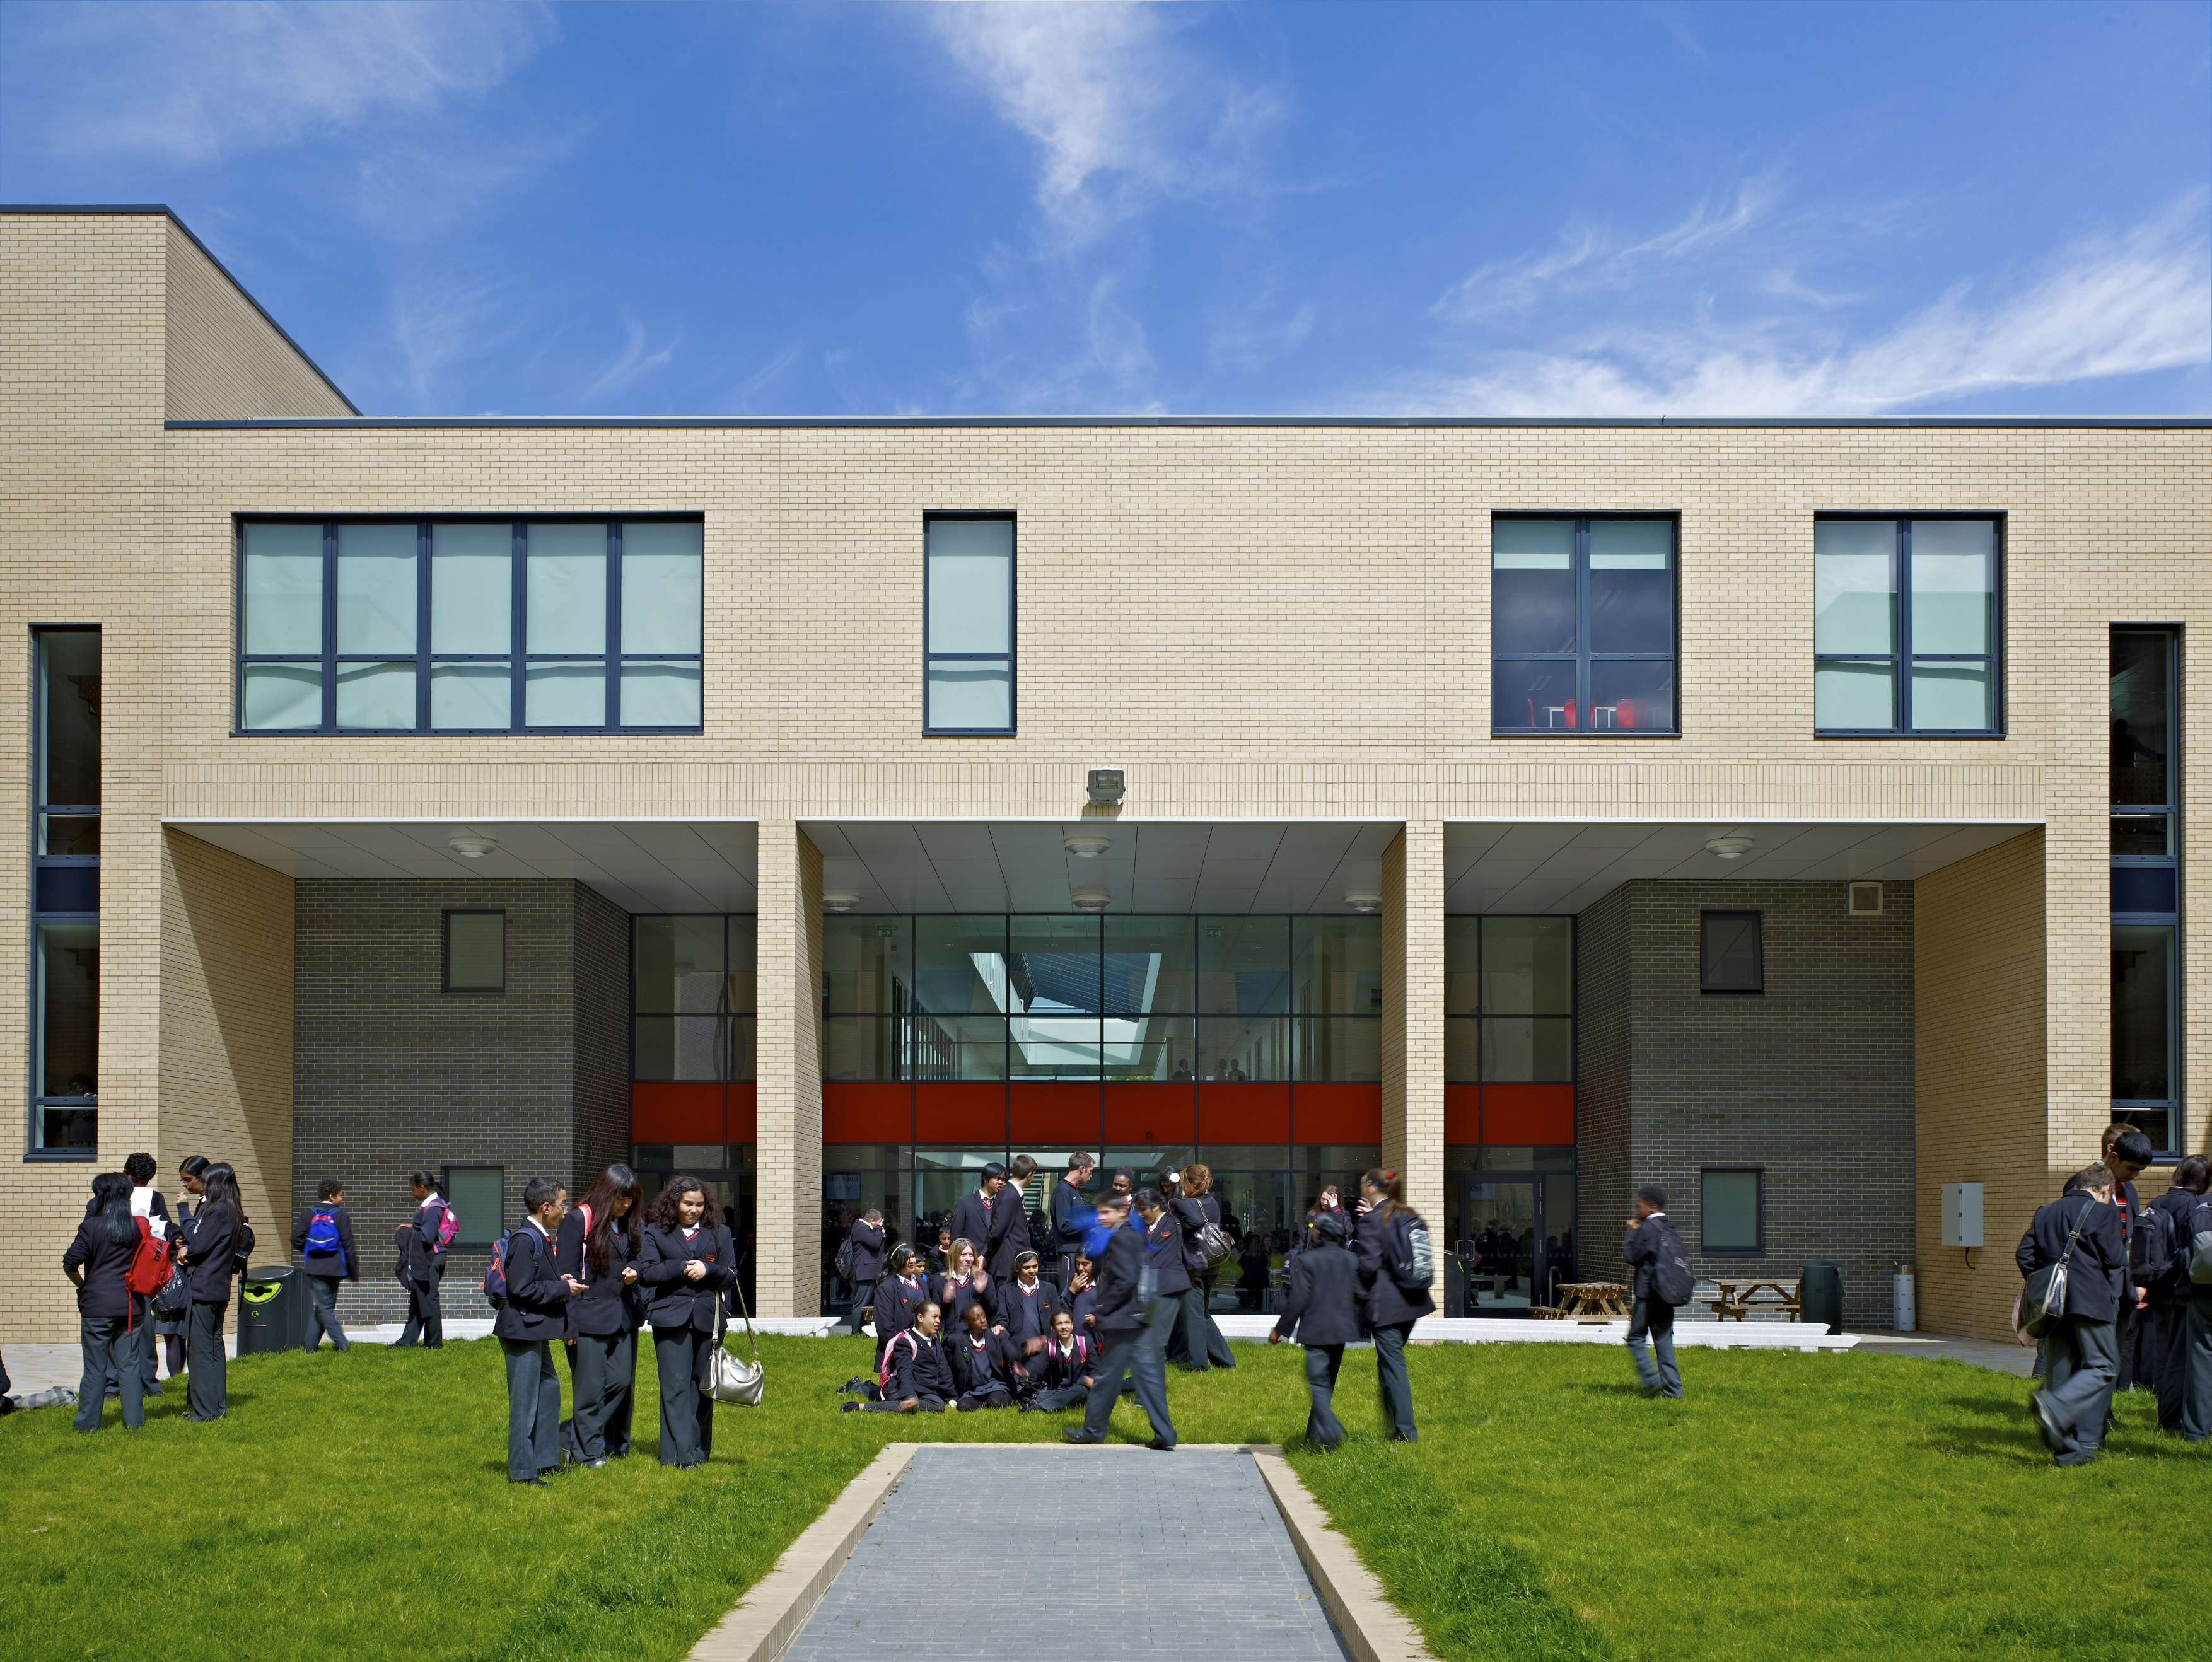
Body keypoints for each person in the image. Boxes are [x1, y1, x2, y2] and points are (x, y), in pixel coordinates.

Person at [2018, 1162, 2128, 1466]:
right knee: (2103, 1366)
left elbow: (2024, 1254)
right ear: (2106, 1189)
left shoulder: (2045, 1212)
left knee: (2060, 1372)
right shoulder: (2104, 1212)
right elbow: (2117, 1258)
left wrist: (2047, 1282)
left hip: (2053, 1305)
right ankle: (2056, 1408)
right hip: (2092, 1302)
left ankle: (2068, 1453)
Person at [1065, 1189, 1176, 1451]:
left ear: (1121, 1212)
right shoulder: (1133, 1235)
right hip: (1138, 1319)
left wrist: (1103, 1310)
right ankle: (1165, 1435)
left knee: (1106, 1380)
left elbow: (1126, 1280)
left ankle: (1093, 1431)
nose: (1101, 1217)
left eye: (1106, 1212)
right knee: (1148, 1380)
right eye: (1099, 1212)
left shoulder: (1120, 1238)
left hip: (1123, 1320)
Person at [638, 1175, 736, 1469]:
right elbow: (647, 1273)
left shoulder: (720, 1233)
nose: (694, 1210)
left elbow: (731, 1275)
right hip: (670, 1317)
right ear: (675, 1203)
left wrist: (708, 1269)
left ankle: (698, 1450)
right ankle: (679, 1455)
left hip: (708, 1318)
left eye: (700, 1205)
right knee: (676, 1386)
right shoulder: (655, 1232)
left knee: (703, 1386)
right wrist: (682, 1268)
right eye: (687, 1204)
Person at [557, 1163, 646, 1467]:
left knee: (621, 1382)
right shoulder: (578, 1219)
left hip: (624, 1315)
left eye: (630, 1199)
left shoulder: (631, 1222)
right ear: (606, 1193)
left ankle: (566, 1435)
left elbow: (640, 1257)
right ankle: (589, 1453)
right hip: (587, 1317)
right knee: (590, 1390)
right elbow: (565, 1276)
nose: (626, 1204)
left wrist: (638, 1271)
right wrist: (569, 1325)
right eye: (621, 1198)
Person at [495, 1177, 581, 1486]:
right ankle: (522, 1471)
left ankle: (544, 1461)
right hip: (521, 1331)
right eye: (562, 1205)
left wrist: (561, 1281)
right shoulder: (526, 1239)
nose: (565, 1211)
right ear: (546, 1208)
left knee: (548, 1391)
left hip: (534, 1329)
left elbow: (534, 1280)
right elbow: (520, 1289)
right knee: (525, 1402)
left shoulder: (539, 1236)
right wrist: (562, 1288)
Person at [1267, 1208, 1361, 1450]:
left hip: (1316, 1331)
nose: (1313, 1233)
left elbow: (1297, 1299)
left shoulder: (1308, 1260)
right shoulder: (1350, 1259)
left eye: (1315, 1229)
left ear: (1321, 1233)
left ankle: (1332, 1432)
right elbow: (1360, 1294)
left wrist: (1280, 1330)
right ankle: (1314, 1438)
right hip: (1341, 1332)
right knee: (1326, 1386)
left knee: (1318, 1386)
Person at [1353, 1168, 1433, 1439]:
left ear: (1372, 1188)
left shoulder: (1374, 1220)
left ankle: (1406, 1433)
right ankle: (1396, 1427)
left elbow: (1369, 1265)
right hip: (1413, 1304)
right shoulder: (1407, 1213)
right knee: (1388, 1363)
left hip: (1387, 1308)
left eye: (1364, 1186)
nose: (1362, 1190)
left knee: (1393, 1365)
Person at [64, 1173, 144, 1433]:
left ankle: (87, 1426)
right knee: (130, 1367)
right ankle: (135, 1424)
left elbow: (70, 1264)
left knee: (95, 1369)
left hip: (97, 1306)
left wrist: (83, 1286)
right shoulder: (137, 1227)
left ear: (102, 1195)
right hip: (132, 1305)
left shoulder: (92, 1226)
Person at [175, 1161, 245, 1421]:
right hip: (218, 1287)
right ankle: (216, 1407)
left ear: (215, 1183)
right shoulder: (233, 1209)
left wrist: (186, 1251)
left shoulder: (218, 1210)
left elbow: (198, 1243)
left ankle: (204, 1411)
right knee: (214, 1347)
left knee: (201, 1350)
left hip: (204, 1288)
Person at [2146, 1155, 2209, 1436]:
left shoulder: (2155, 1203)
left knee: (2164, 1357)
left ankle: (2166, 1416)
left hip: (2157, 1288)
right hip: (2186, 1290)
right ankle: (2176, 1421)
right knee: (2184, 1359)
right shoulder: (2198, 1207)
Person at [1167, 1162, 1235, 1371]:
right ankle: (1225, 1360)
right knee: (1201, 1313)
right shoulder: (1211, 1202)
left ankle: (1198, 1365)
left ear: (1193, 1183)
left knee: (1194, 1316)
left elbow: (1186, 1226)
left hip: (1194, 1268)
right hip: (1210, 1265)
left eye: (1185, 1182)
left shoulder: (1192, 1204)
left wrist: (1175, 1203)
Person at [1621, 1185, 1683, 1400]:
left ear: (1652, 1206)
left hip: (1648, 1294)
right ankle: (1674, 1392)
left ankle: (1651, 1381)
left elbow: (1631, 1256)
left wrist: (1633, 1231)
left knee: (1636, 1338)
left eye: (1640, 1206)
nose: (1637, 1210)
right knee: (1664, 1341)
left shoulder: (1647, 1228)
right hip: (1668, 1294)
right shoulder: (1670, 1228)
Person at [846, 1299, 955, 1414]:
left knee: (938, 1404)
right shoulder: (905, 1342)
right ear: (920, 1318)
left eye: (939, 1317)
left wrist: (952, 1397)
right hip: (900, 1387)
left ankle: (858, 1386)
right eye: (934, 1317)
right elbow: (905, 1371)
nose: (938, 1321)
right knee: (912, 1405)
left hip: (922, 1390)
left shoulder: (935, 1338)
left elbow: (943, 1369)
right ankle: (859, 1407)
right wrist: (909, 1396)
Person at [158, 1156, 209, 1383]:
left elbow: (196, 1234)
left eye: (187, 1180)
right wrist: (183, 1244)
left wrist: (182, 1209)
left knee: (191, 1338)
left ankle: (187, 1381)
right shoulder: (204, 1202)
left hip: (199, 1284)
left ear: (203, 1177)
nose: (185, 1186)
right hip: (190, 1282)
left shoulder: (210, 1205)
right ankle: (182, 1381)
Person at [291, 1178, 358, 1352]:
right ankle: (342, 1344)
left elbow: (296, 1238)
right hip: (335, 1269)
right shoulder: (341, 1216)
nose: (341, 1199)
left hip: (314, 1268)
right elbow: (349, 1247)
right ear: (332, 1196)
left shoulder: (308, 1214)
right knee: (326, 1308)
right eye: (340, 1195)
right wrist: (354, 1273)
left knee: (322, 1308)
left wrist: (311, 1250)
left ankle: (310, 1347)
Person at [395, 1170, 450, 1348]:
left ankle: (434, 1344)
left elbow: (427, 1237)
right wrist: (412, 1226)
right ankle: (407, 1342)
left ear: (422, 1187)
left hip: (431, 1258)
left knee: (430, 1298)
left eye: (413, 1189)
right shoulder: (434, 1205)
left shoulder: (433, 1207)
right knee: (419, 1298)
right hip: (432, 1257)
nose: (412, 1193)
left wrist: (407, 1232)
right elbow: (428, 1229)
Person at [949, 1300, 1022, 1409]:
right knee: (963, 1406)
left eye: (984, 1316)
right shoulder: (956, 1340)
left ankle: (1012, 1397)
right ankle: (985, 1403)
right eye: (977, 1318)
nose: (983, 1321)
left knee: (996, 1402)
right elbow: (951, 1370)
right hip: (974, 1389)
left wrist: (1003, 1336)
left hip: (995, 1385)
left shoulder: (996, 1335)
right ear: (966, 1322)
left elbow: (1014, 1355)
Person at [1025, 1309, 1095, 1413]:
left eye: (1067, 1323)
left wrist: (1094, 1381)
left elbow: (1095, 1370)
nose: (1064, 1327)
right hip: (1060, 1389)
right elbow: (1039, 1369)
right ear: (1053, 1328)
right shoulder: (1051, 1348)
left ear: (1072, 1325)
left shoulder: (1085, 1344)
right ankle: (1040, 1400)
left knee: (1080, 1391)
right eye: (1060, 1323)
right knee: (1043, 1395)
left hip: (1081, 1388)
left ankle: (1039, 1408)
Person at [996, 1250, 1059, 1357]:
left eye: (1035, 1266)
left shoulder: (1050, 1289)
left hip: (1045, 1350)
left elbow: (1057, 1317)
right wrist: (1000, 1326)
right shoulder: (1005, 1291)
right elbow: (1002, 1318)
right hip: (1018, 1350)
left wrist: (1053, 1335)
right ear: (1017, 1269)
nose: (1032, 1271)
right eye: (1026, 1267)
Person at [987, 1155, 1039, 1278]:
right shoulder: (1009, 1195)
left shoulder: (1011, 1193)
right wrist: (986, 1255)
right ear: (1029, 1175)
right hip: (1007, 1267)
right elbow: (997, 1232)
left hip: (1012, 1264)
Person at [948, 1163, 1006, 1268]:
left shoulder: (1004, 1205)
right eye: (997, 1178)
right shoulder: (966, 1202)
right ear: (985, 1178)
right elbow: (956, 1235)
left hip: (995, 1262)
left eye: (1003, 1179)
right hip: (970, 1262)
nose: (1001, 1182)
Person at [1052, 1154, 1095, 1290]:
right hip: (1070, 1257)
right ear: (1082, 1169)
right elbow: (1064, 1225)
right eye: (1091, 1171)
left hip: (1079, 1255)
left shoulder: (1075, 1191)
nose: (1091, 1175)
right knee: (1069, 1298)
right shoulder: (1063, 1191)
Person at [934, 1237, 995, 1334]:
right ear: (954, 1256)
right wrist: (945, 1301)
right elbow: (937, 1316)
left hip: (978, 1337)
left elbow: (993, 1310)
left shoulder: (983, 1278)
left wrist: (983, 1292)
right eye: (963, 1255)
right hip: (952, 1339)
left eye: (971, 1255)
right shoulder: (940, 1281)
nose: (968, 1259)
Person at [845, 1207, 886, 1337]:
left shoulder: (863, 1228)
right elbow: (875, 1242)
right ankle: (855, 1333)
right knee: (861, 1303)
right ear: (873, 1221)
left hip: (868, 1272)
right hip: (865, 1273)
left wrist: (880, 1233)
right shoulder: (861, 1228)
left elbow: (875, 1243)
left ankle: (863, 1331)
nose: (880, 1225)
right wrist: (879, 1229)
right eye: (879, 1223)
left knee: (867, 1305)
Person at [1065, 1253, 1098, 1344]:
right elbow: (1062, 1308)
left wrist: (1098, 1319)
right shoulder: (1073, 1281)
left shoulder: (1103, 1284)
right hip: (1074, 1343)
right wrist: (1072, 1291)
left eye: (1085, 1264)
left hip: (1096, 1343)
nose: (1080, 1268)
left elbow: (1111, 1309)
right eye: (1077, 1263)